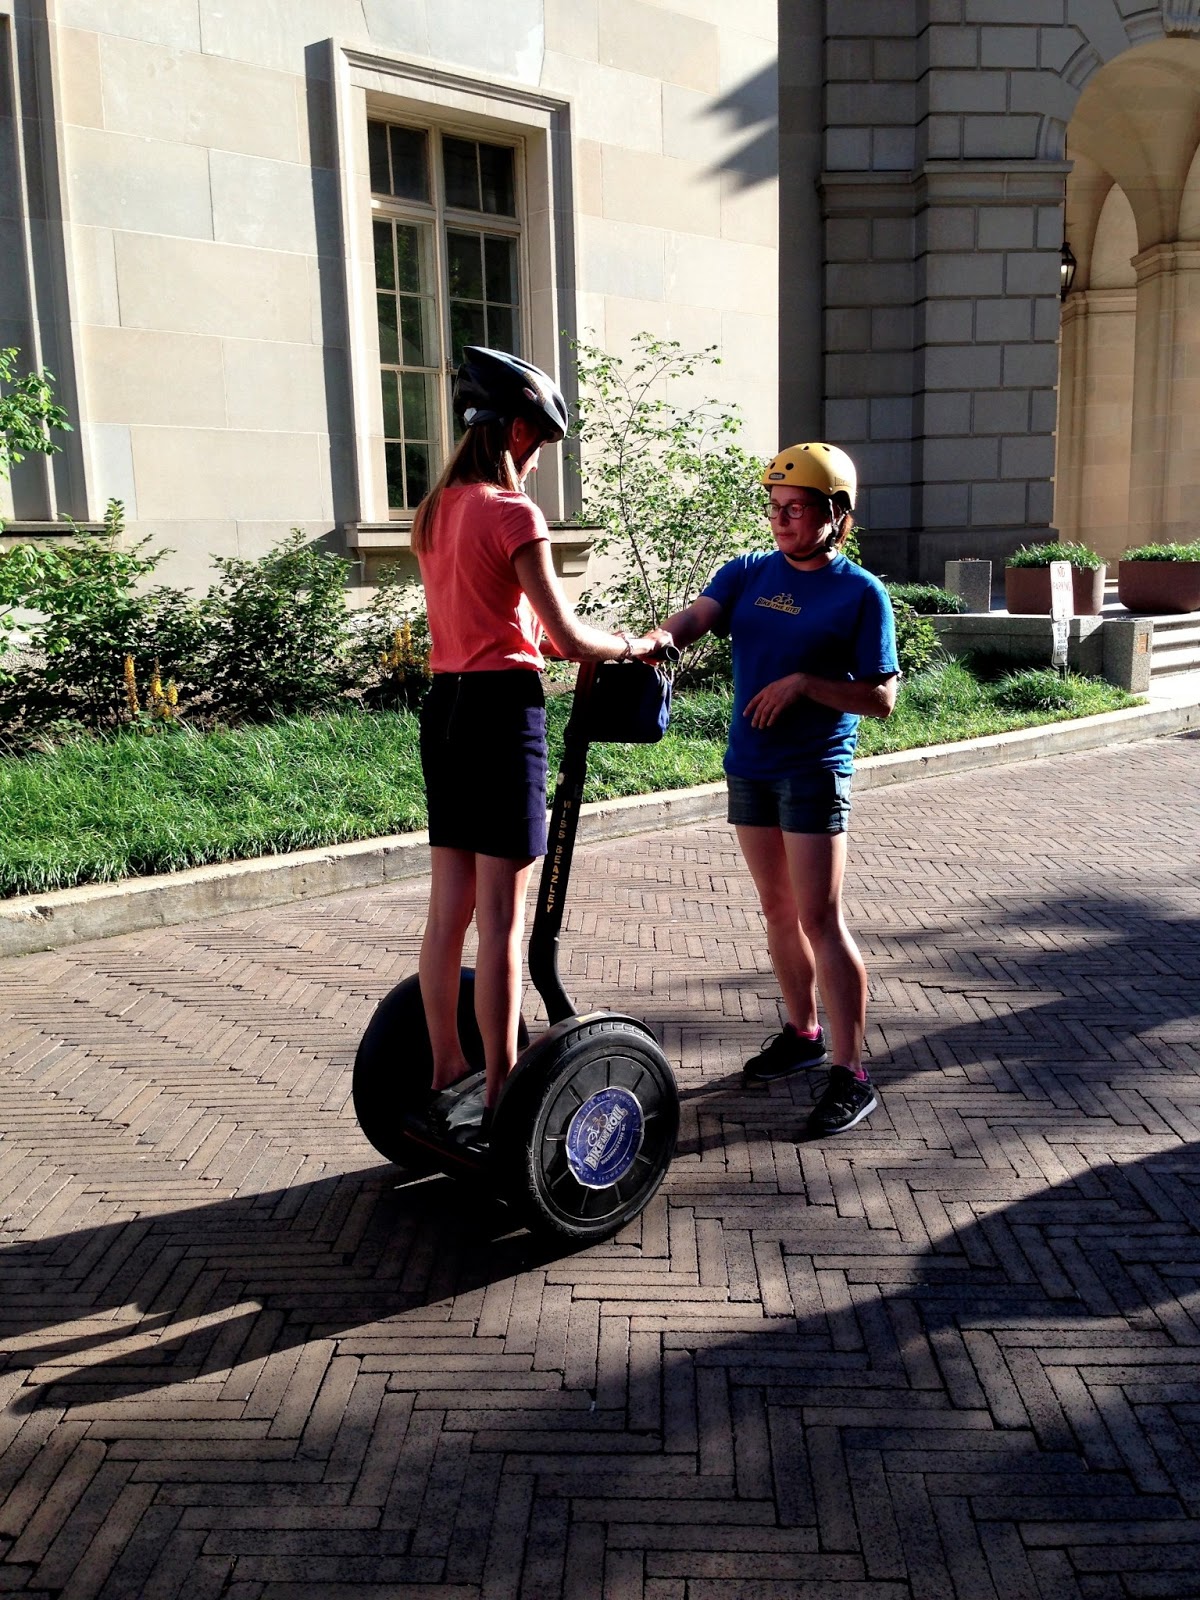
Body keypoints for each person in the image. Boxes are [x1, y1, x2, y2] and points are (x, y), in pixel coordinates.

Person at [413, 346, 656, 1134]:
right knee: (505, 926)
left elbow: (502, 620)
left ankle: (449, 1065)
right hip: (500, 716)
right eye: (541, 443)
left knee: (447, 915)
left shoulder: (435, 511)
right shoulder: (512, 512)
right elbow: (564, 634)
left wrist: (562, 642)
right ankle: (502, 1095)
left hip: (443, 709)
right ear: (519, 430)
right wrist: (635, 642)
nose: (540, 459)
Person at [646, 443, 899, 1137]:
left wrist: (805, 685)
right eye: (775, 508)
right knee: (778, 910)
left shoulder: (859, 593)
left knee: (820, 917)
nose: (781, 520)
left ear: (836, 515)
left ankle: (851, 1074)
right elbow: (697, 617)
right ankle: (803, 1032)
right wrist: (655, 641)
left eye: (796, 509)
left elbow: (881, 699)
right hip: (748, 764)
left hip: (812, 768)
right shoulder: (748, 572)